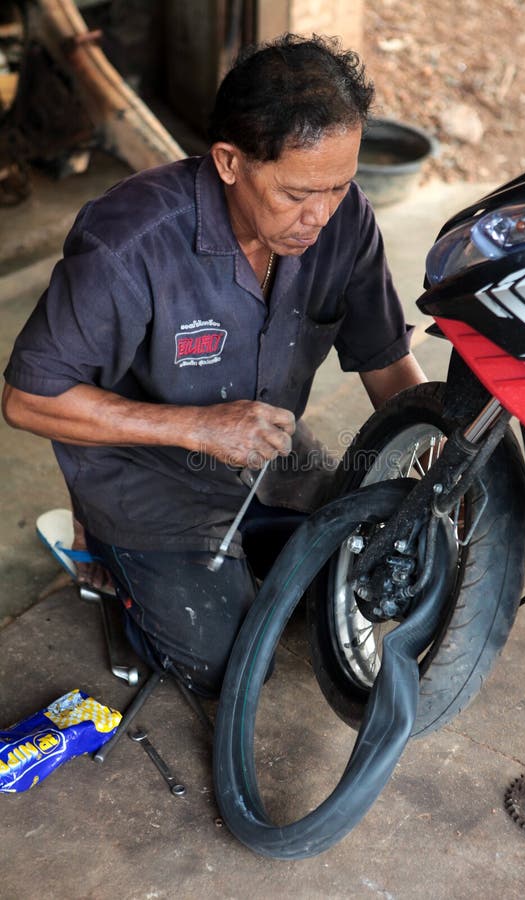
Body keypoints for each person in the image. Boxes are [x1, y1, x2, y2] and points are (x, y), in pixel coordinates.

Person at [2, 33, 426, 697]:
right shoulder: (131, 240)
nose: (319, 215)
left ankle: (242, 552)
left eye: (339, 186)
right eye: (296, 192)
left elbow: (388, 362)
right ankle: (108, 562)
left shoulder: (344, 220)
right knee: (229, 665)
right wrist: (199, 428)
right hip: (143, 477)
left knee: (368, 578)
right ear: (229, 162)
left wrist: (442, 463)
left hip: (269, 452)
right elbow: (28, 399)